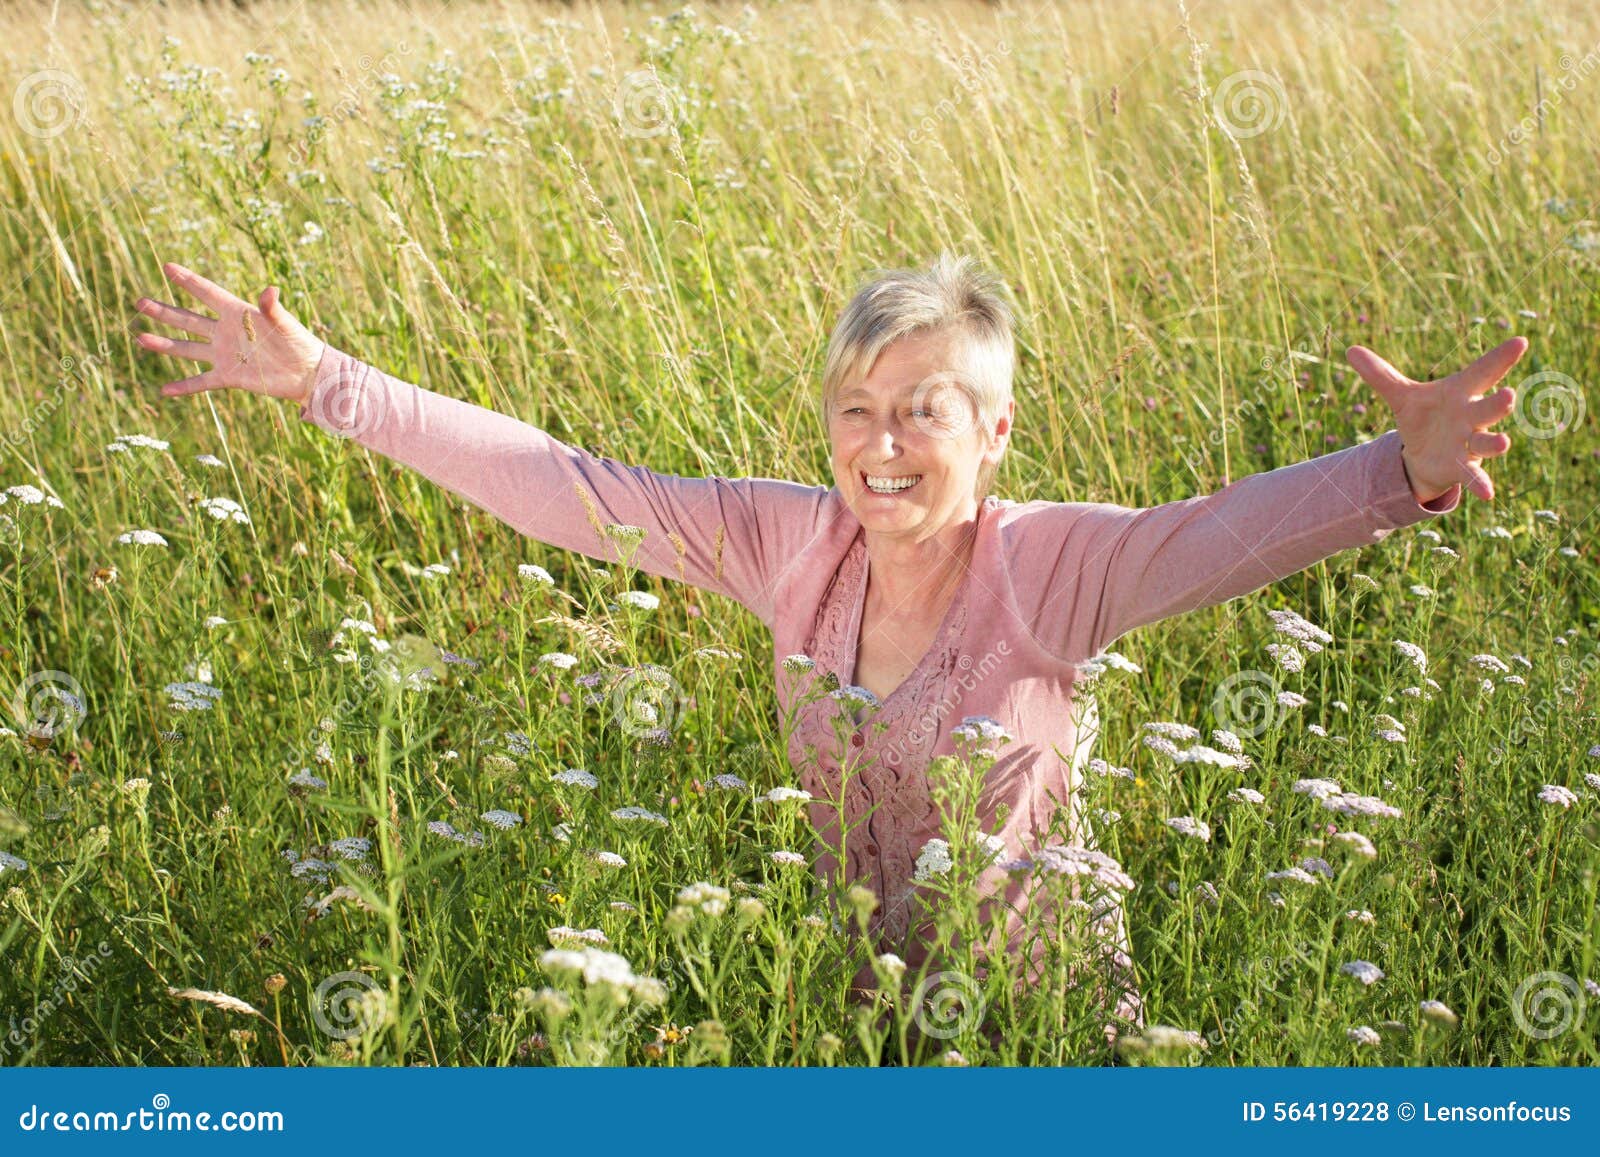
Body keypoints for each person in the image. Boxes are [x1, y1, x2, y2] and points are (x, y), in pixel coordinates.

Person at [133, 253, 1523, 1057]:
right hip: (851, 1031)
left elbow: (1219, 535)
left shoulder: (1053, 569)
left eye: (924, 410)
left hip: (1043, 1046)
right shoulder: (789, 543)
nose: (882, 444)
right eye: (856, 408)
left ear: (995, 431)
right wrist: (328, 384)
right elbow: (568, 486)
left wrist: (1399, 470)